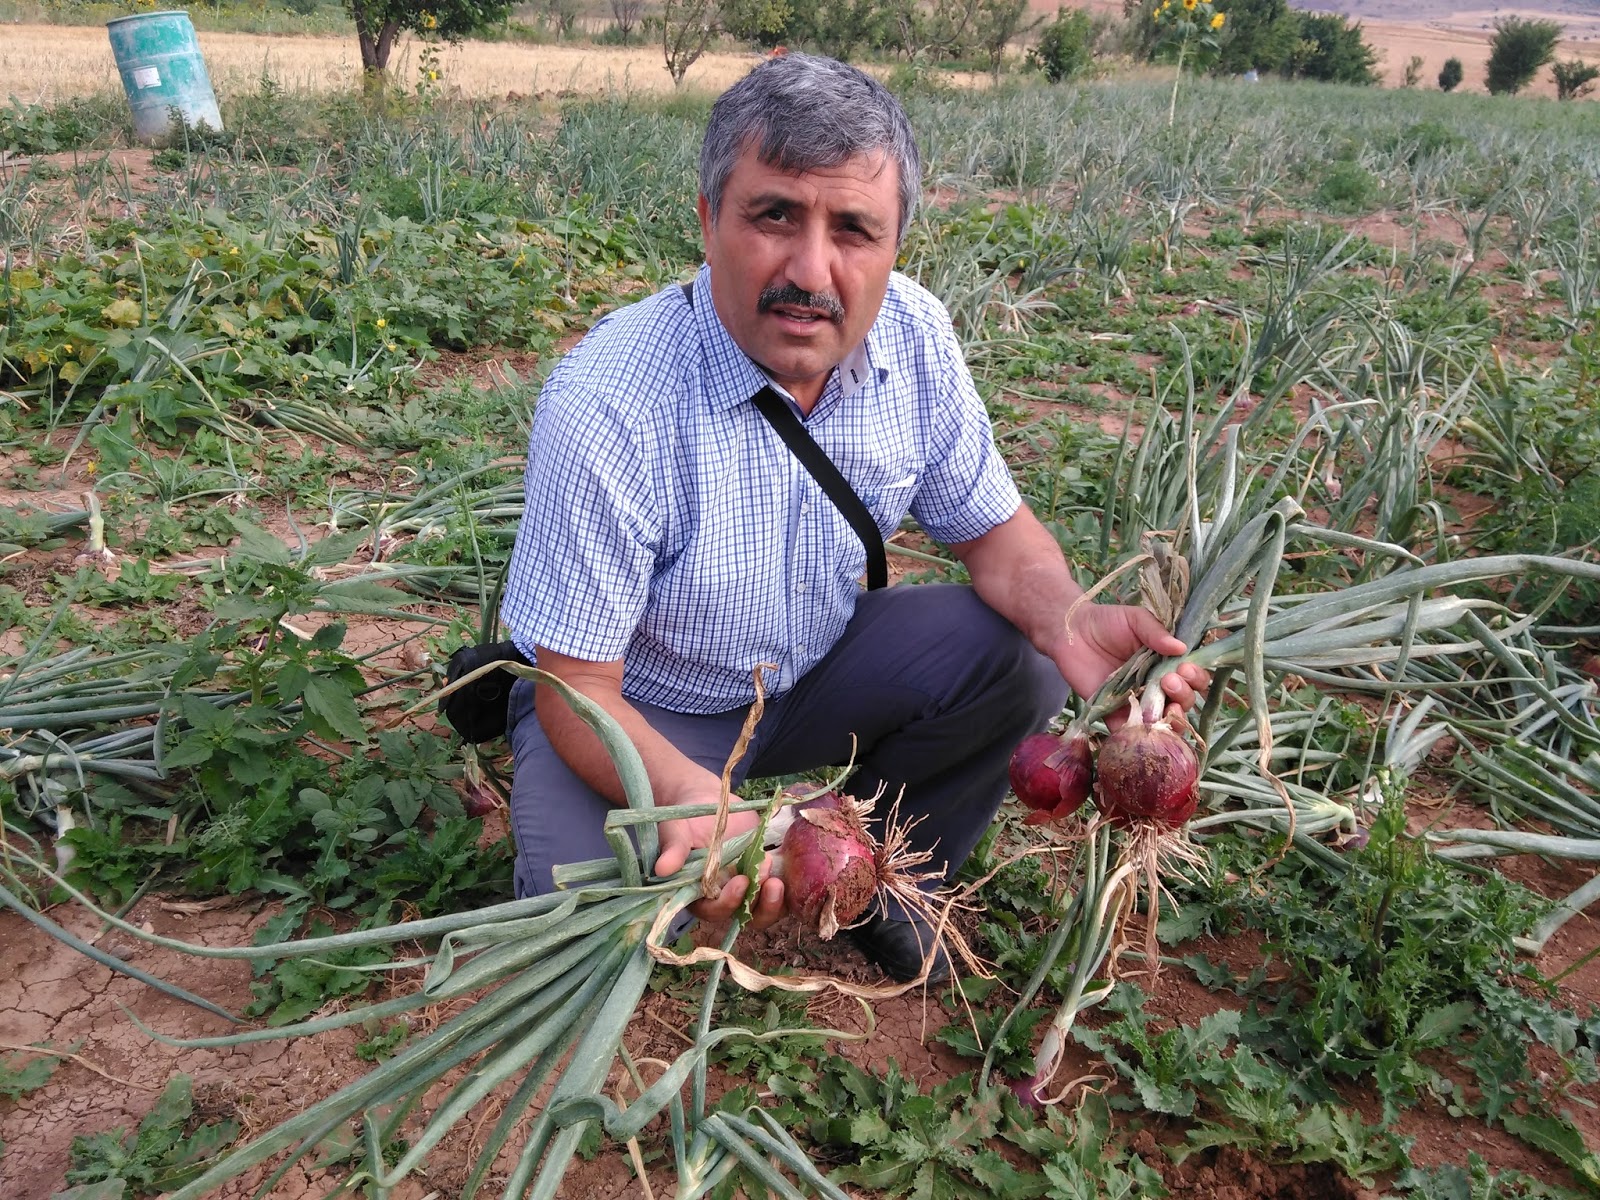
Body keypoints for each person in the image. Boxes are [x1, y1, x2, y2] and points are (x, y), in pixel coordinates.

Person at [499, 53, 1206, 983]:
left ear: (897, 241)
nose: (811, 268)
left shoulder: (915, 337)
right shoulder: (610, 400)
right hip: (641, 709)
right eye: (775, 215)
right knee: (578, 928)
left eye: (855, 229)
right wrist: (682, 795)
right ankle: (713, 843)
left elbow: (998, 541)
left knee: (1018, 656)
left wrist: (1072, 619)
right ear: (710, 220)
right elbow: (575, 686)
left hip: (811, 677)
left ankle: (883, 883)